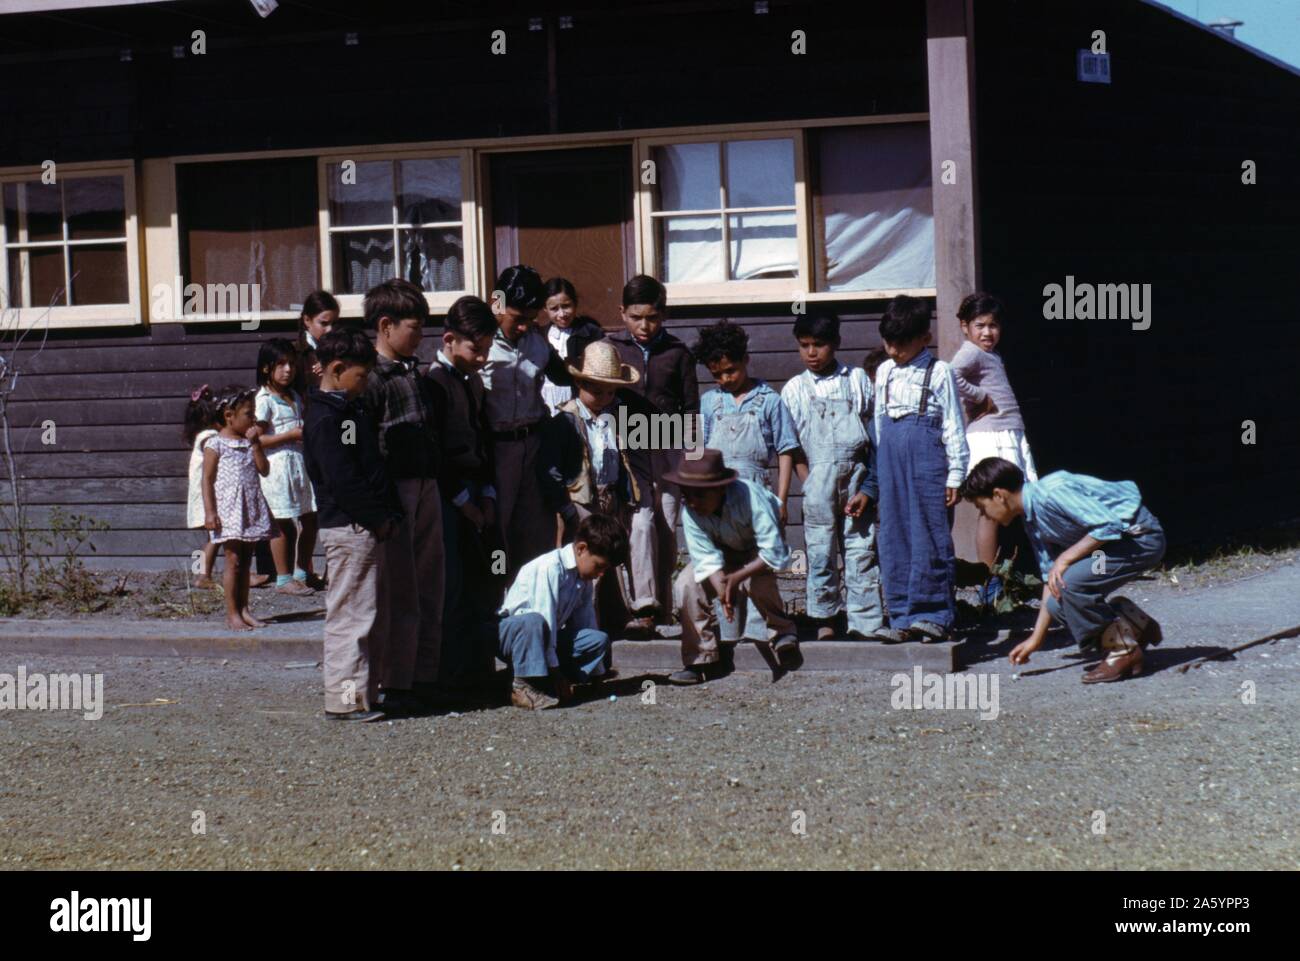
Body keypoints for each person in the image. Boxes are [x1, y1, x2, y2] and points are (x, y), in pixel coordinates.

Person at [959, 457, 1166, 683]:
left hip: (1138, 539)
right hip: (1107, 551)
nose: (985, 515)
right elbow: (1051, 577)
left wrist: (1065, 558)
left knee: (1073, 582)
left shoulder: (1051, 492)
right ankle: (1136, 624)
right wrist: (1036, 639)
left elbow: (1108, 526)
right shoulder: (1032, 520)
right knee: (1057, 603)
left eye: (982, 507)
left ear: (999, 495)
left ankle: (1123, 651)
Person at [303, 329, 403, 722]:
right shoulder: (326, 419)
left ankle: (364, 694)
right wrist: (378, 518)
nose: (364, 385)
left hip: (362, 525)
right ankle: (344, 701)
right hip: (350, 527)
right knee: (350, 616)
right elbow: (344, 480)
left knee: (366, 613)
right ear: (337, 369)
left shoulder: (343, 412)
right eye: (360, 377)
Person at [363, 278, 445, 716]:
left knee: (431, 582)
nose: (420, 336)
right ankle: (396, 681)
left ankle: (423, 674)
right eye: (414, 327)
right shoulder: (372, 378)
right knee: (401, 589)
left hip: (428, 483)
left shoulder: (416, 371)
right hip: (397, 488)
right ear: (386, 325)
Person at [693, 320, 799, 643]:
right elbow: (704, 449)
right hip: (719, 494)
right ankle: (729, 629)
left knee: (758, 564)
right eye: (717, 374)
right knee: (724, 559)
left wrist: (780, 499)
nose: (725, 379)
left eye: (731, 371)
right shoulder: (711, 402)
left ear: (745, 360)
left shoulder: (769, 400)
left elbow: (785, 450)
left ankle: (766, 629)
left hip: (757, 492)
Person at [781, 312, 885, 641]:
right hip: (817, 478)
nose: (812, 353)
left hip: (856, 476)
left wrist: (868, 487)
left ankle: (865, 621)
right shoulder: (795, 390)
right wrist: (810, 482)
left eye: (819, 345)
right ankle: (824, 617)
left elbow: (873, 433)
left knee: (860, 549)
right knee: (820, 551)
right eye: (804, 346)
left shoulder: (856, 380)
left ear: (836, 344)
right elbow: (792, 445)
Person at [873, 295, 969, 643]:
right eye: (888, 342)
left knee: (928, 531)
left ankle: (934, 614)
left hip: (927, 455)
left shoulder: (938, 371)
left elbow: (953, 425)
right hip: (891, 456)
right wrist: (883, 462)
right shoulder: (884, 371)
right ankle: (900, 613)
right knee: (894, 532)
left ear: (923, 339)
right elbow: (879, 424)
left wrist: (956, 472)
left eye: (901, 343)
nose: (893, 349)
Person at [665, 449, 799, 685]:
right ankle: (702, 658)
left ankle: (782, 634)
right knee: (686, 583)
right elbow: (706, 559)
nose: (693, 502)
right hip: (723, 552)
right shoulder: (691, 511)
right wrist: (724, 591)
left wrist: (736, 578)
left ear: (720, 488)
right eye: (687, 495)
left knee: (758, 581)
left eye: (700, 495)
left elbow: (773, 552)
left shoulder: (751, 496)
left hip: (758, 549)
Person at [609, 275, 699, 622]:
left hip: (669, 443)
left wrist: (692, 463)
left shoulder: (677, 353)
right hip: (630, 444)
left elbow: (691, 408)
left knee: (665, 524)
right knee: (640, 521)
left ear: (663, 314)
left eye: (652, 317)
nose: (644, 326)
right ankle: (644, 604)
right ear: (622, 313)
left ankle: (662, 603)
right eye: (635, 317)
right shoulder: (614, 347)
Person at [542, 339, 649, 634]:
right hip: (580, 500)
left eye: (610, 391)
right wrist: (564, 506)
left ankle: (615, 617)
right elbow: (551, 469)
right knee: (589, 563)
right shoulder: (566, 420)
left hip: (608, 495)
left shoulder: (612, 418)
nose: (603, 397)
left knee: (612, 558)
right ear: (579, 384)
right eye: (596, 390)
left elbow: (618, 457)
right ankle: (584, 624)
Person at [480, 265, 573, 577]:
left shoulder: (537, 342)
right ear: (496, 304)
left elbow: (570, 376)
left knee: (537, 530)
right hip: (496, 449)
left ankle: (534, 602)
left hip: (534, 445)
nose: (523, 327)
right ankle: (497, 603)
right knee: (496, 530)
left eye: (531, 320)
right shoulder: (479, 342)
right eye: (517, 319)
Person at [427, 295, 500, 686]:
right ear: (450, 339)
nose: (482, 358)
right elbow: (438, 453)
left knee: (483, 581)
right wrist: (464, 503)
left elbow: (481, 439)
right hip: (450, 499)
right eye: (476, 349)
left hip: (477, 491)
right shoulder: (434, 384)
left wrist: (487, 494)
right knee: (451, 588)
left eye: (487, 350)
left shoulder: (473, 381)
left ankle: (478, 669)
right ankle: (448, 676)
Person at [951, 292, 1039, 606]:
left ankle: (1023, 576)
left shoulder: (992, 355)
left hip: (1009, 433)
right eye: (980, 325)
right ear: (964, 326)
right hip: (991, 437)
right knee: (991, 512)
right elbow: (952, 374)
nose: (988, 332)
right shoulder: (970, 352)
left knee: (1024, 504)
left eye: (993, 325)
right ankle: (990, 584)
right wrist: (980, 397)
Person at [494, 513, 628, 709]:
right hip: (513, 635)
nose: (601, 573)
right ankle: (522, 685)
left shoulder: (583, 577)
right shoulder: (550, 568)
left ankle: (542, 679)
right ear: (582, 548)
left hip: (545, 639)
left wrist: (597, 675)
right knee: (534, 621)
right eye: (599, 566)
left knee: (597, 639)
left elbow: (586, 621)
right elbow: (545, 620)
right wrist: (556, 672)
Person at [201, 385, 275, 632]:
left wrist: (256, 445)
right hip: (229, 510)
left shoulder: (249, 443)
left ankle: (244, 609)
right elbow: (207, 480)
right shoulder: (215, 444)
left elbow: (264, 470)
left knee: (245, 561)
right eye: (248, 414)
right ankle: (232, 613)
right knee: (232, 560)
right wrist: (210, 512)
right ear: (229, 416)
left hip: (250, 507)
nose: (253, 419)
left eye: (253, 413)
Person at [254, 338, 321, 595]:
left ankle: (302, 572)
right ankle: (283, 579)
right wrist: (289, 435)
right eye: (280, 364)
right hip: (278, 467)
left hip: (299, 464)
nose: (287, 370)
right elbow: (257, 438)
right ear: (265, 368)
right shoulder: (264, 400)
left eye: (291, 364)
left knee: (310, 518)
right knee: (284, 523)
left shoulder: (293, 396)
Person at [183, 384, 222, 589]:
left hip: (201, 493)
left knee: (211, 537)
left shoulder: (200, 436)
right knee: (216, 536)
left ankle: (199, 573)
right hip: (208, 495)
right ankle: (202, 576)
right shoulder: (210, 437)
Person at [297, 290, 339, 394]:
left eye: (334, 323)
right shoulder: (297, 354)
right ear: (307, 320)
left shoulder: (341, 349)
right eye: (324, 323)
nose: (330, 329)